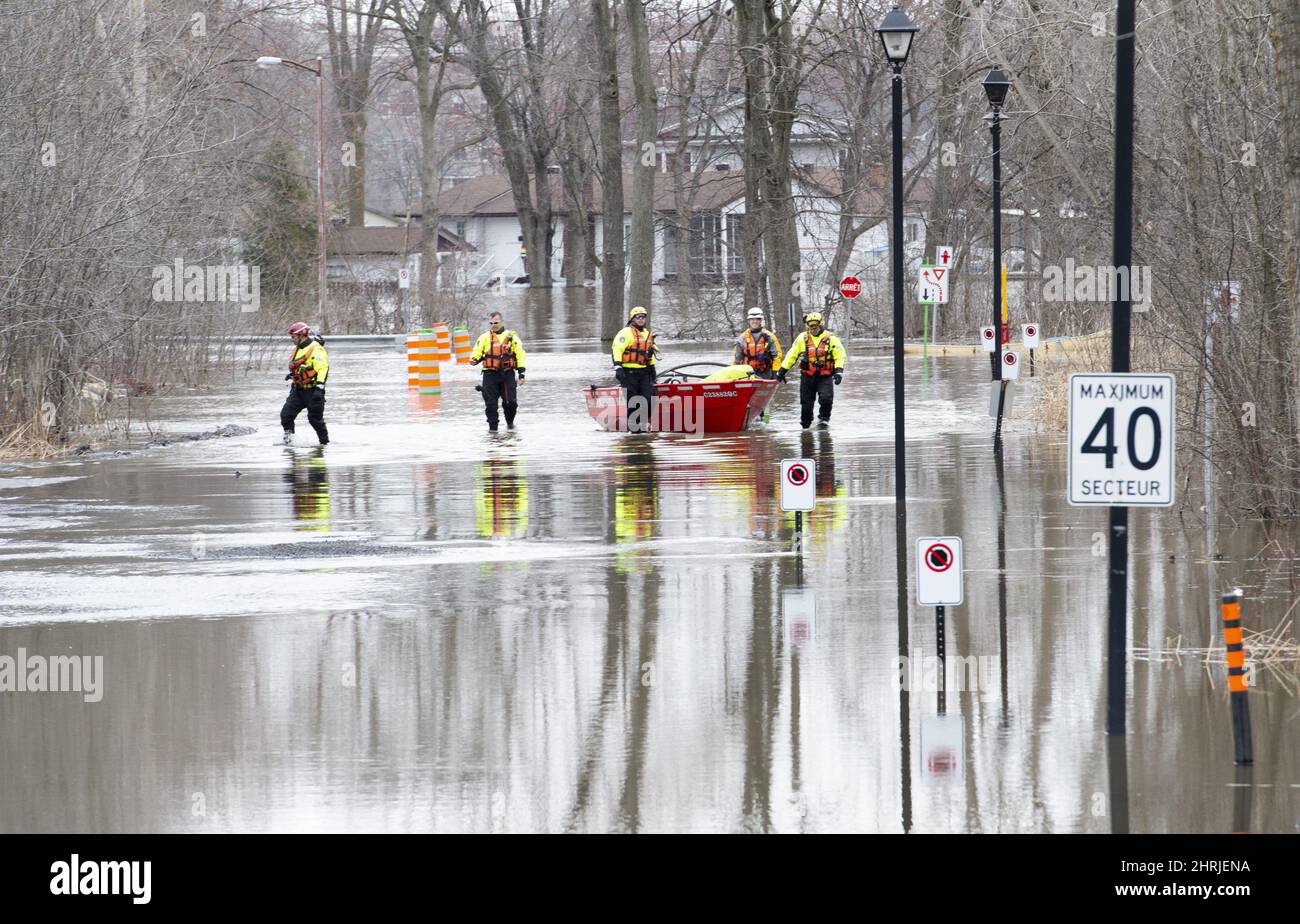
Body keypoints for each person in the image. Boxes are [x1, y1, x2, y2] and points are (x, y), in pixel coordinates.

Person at [777, 311, 846, 428]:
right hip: (807, 376)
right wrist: (782, 371)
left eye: (815, 326)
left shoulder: (831, 339)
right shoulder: (802, 338)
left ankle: (823, 419)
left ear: (820, 324)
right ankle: (806, 427)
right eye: (810, 326)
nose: (812, 329)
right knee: (806, 404)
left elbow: (839, 355)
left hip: (825, 376)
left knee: (826, 399)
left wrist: (839, 371)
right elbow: (791, 355)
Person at [469, 311, 527, 431]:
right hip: (490, 375)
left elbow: (520, 354)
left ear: (501, 322)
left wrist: (521, 374)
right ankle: (493, 431)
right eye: (491, 323)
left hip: (507, 374)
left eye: (496, 322)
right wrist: (474, 359)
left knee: (510, 402)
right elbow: (477, 352)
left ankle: (510, 425)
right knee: (491, 405)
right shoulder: (484, 337)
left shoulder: (512, 337)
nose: (493, 325)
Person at [281, 321, 329, 445]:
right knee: (286, 415)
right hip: (298, 390)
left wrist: (319, 388)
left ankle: (324, 444)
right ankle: (289, 442)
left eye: (293, 337)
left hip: (313, 390)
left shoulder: (316, 349)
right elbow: (300, 366)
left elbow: (323, 368)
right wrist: (292, 375)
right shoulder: (297, 349)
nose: (291, 339)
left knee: (314, 419)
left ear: (302, 335)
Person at [612, 306, 658, 432]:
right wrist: (618, 368)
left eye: (643, 317)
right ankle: (634, 430)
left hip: (644, 372)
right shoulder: (625, 333)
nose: (641, 319)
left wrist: (653, 370)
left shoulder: (647, 334)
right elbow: (617, 349)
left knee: (649, 401)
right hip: (628, 373)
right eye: (638, 317)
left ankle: (641, 426)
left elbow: (650, 354)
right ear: (633, 319)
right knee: (634, 402)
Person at [733, 307, 783, 379]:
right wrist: (735, 372)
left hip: (765, 373)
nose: (755, 321)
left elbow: (777, 356)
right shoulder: (742, 338)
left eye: (757, 319)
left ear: (761, 320)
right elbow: (737, 359)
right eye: (752, 319)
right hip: (747, 373)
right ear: (749, 321)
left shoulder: (770, 337)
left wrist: (776, 372)